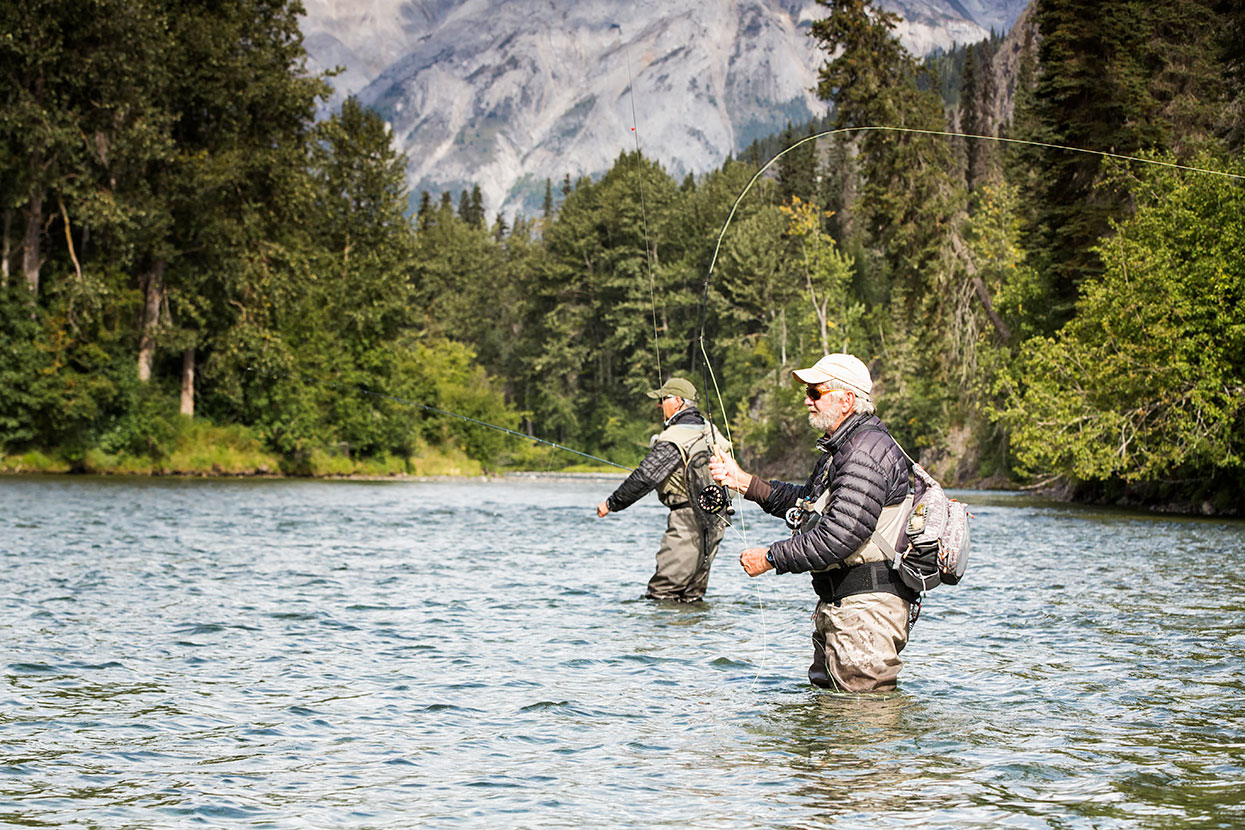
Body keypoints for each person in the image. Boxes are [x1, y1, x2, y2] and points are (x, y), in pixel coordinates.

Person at [709, 354, 916, 692]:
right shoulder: (844, 448)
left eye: (816, 392)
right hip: (847, 605)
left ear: (846, 400)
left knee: (862, 716)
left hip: (866, 612)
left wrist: (770, 557)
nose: (807, 400)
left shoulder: (863, 453)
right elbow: (807, 505)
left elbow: (839, 536)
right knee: (835, 711)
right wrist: (743, 482)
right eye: (808, 392)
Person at [596, 377, 730, 601]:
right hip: (717, 519)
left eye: (663, 399)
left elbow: (644, 477)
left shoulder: (674, 438)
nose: (659, 405)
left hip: (687, 521)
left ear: (678, 401)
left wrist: (611, 504)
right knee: (693, 594)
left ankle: (663, 626)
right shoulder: (712, 431)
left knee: (662, 592)